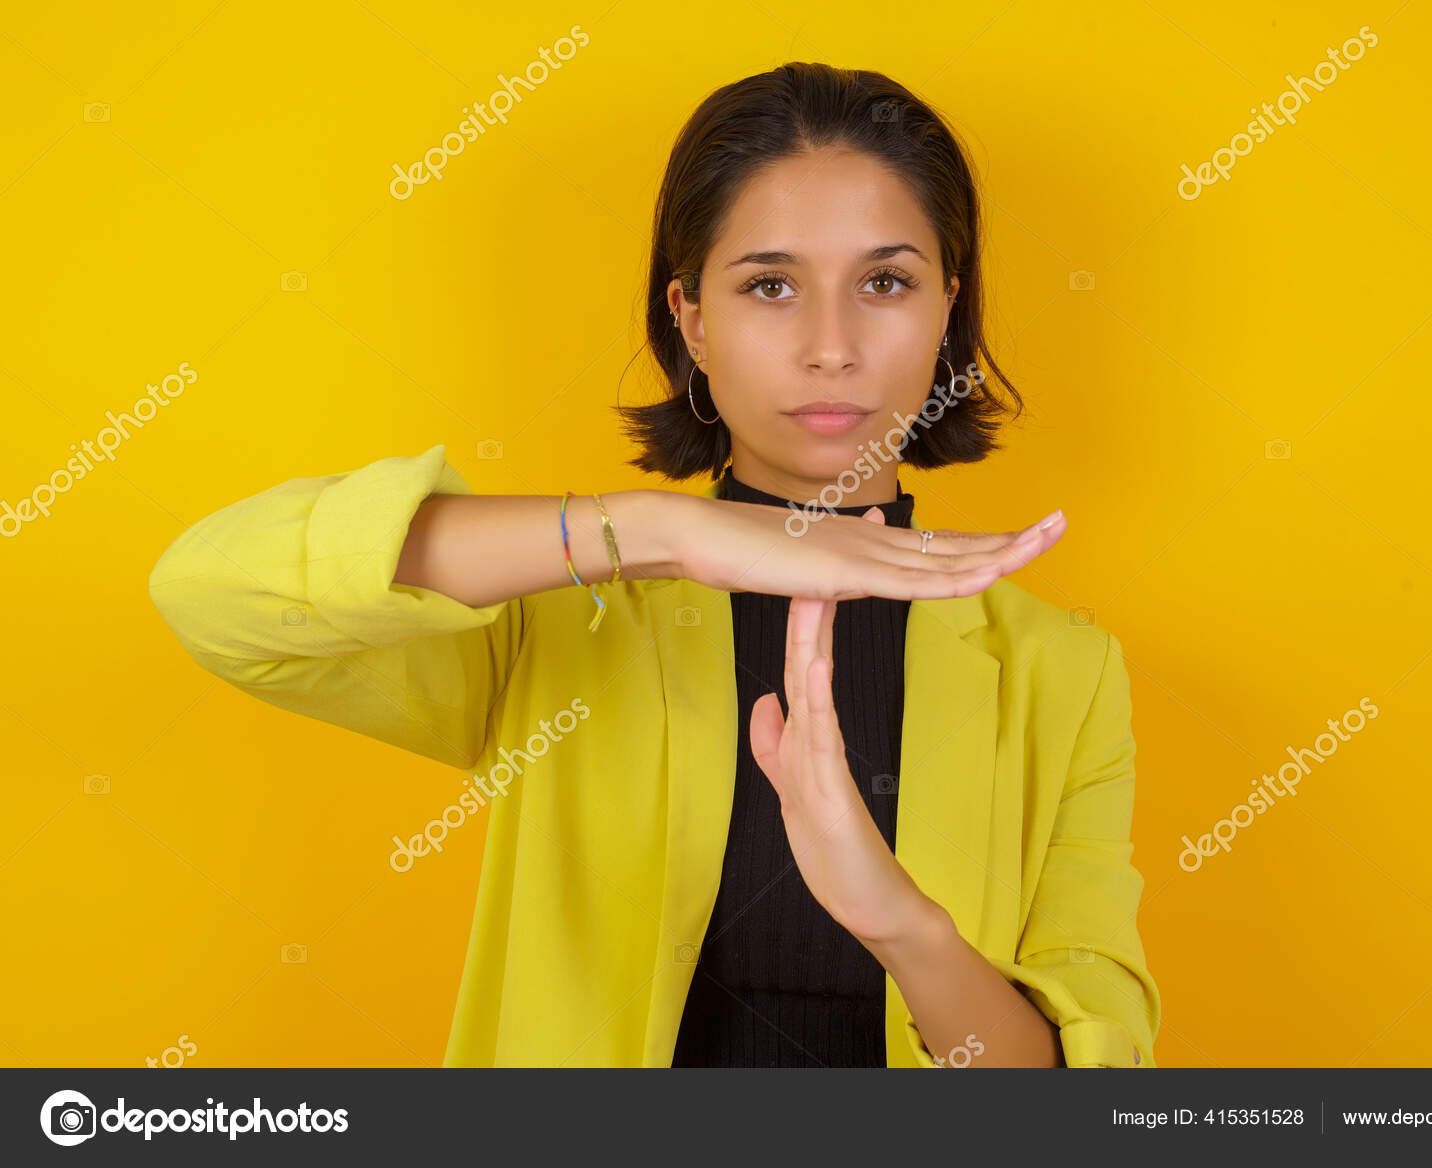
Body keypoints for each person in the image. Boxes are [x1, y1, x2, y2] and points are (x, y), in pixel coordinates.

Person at [147, 61, 1160, 1068]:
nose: (831, 346)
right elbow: (214, 593)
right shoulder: (561, 611)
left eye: (884, 282)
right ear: (692, 321)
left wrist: (902, 924)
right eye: (770, 285)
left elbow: (1084, 1095)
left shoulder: (1059, 675)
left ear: (946, 308)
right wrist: (651, 530)